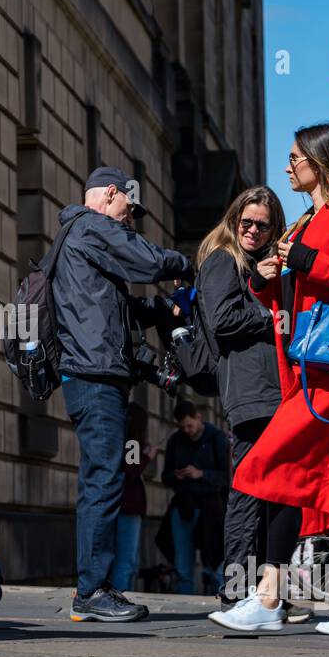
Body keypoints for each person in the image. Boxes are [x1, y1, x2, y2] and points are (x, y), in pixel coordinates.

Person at [209, 123, 329, 636]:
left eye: (296, 158)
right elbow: (294, 297)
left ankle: (269, 596)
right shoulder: (304, 222)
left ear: (320, 160)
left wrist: (310, 261)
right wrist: (261, 281)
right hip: (310, 373)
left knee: (275, 464)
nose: (288, 166)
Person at [53, 165, 191, 622]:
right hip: (94, 381)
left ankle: (96, 586)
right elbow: (148, 261)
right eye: (128, 210)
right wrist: (189, 265)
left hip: (95, 377)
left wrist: (157, 309)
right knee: (103, 480)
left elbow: (115, 315)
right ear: (111, 194)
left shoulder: (80, 240)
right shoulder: (91, 225)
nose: (129, 220)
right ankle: (91, 592)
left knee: (103, 477)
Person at [195, 186, 286, 608]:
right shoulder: (221, 260)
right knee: (249, 490)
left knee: (272, 491)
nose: (252, 230)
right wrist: (269, 314)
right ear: (234, 220)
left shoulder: (253, 265)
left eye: (261, 225)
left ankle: (264, 594)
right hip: (250, 392)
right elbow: (223, 320)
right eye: (246, 222)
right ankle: (235, 589)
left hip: (270, 390)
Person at [161, 401, 229, 594]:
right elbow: (165, 476)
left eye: (189, 425)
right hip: (183, 506)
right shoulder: (176, 441)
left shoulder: (216, 438)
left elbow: (227, 477)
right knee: (183, 564)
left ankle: (222, 599)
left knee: (214, 561)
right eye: (182, 427)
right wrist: (177, 475)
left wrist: (201, 474)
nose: (187, 430)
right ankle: (185, 598)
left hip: (210, 507)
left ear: (199, 417)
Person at [108, 402, 153, 592]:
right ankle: (121, 596)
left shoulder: (119, 441)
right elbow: (131, 472)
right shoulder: (133, 444)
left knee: (126, 560)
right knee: (126, 561)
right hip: (128, 507)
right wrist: (148, 456)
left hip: (122, 506)